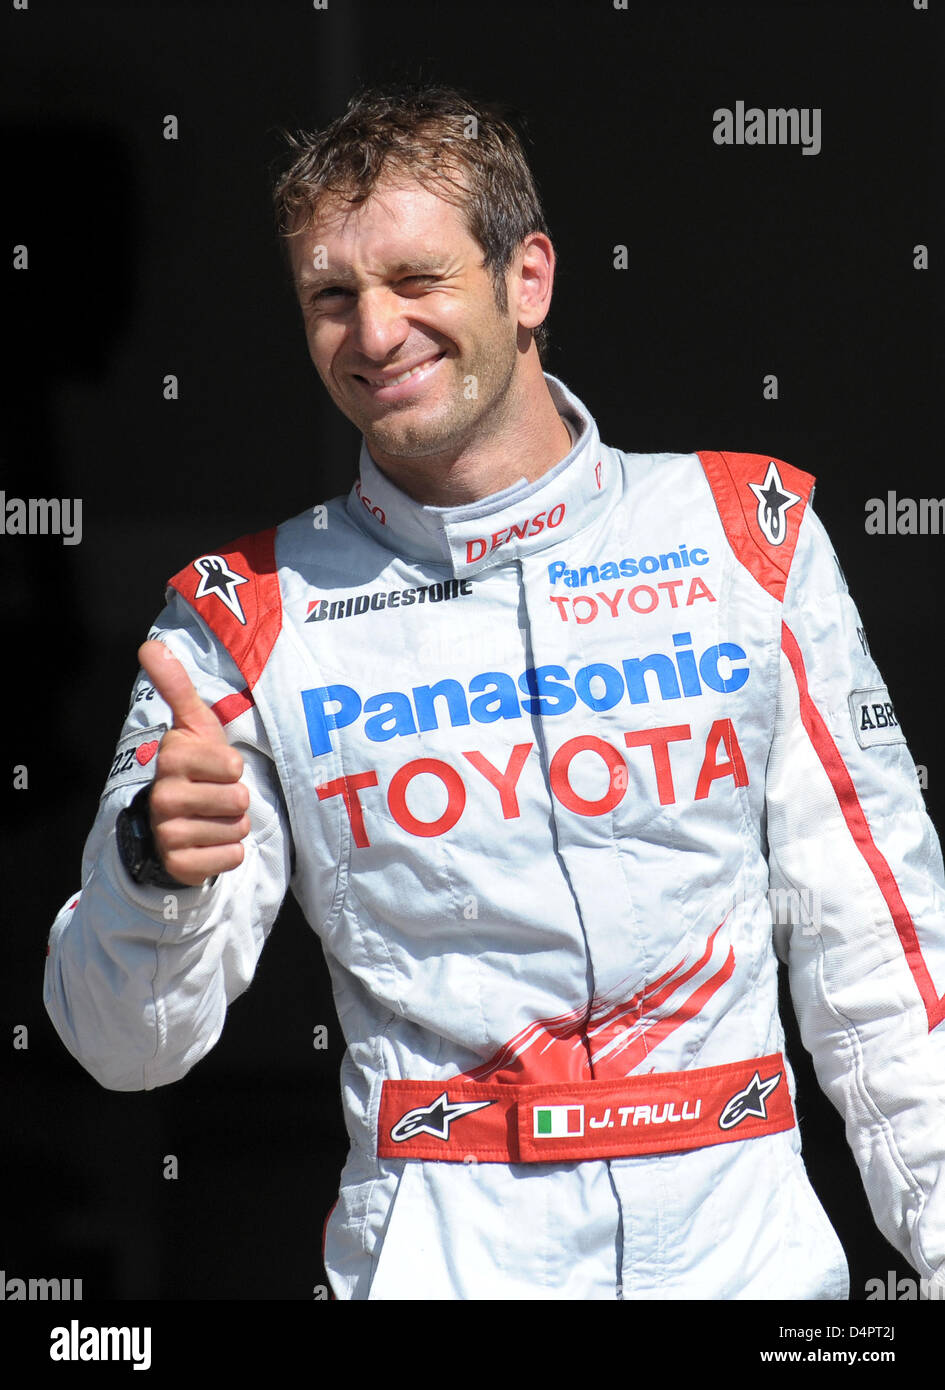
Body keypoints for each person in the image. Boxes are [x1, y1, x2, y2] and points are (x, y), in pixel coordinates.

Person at [45, 81, 945, 1301]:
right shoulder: (233, 621)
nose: (374, 334)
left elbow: (888, 968)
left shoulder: (748, 537)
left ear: (529, 279)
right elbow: (123, 1046)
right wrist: (152, 873)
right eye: (332, 297)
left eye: (416, 281)